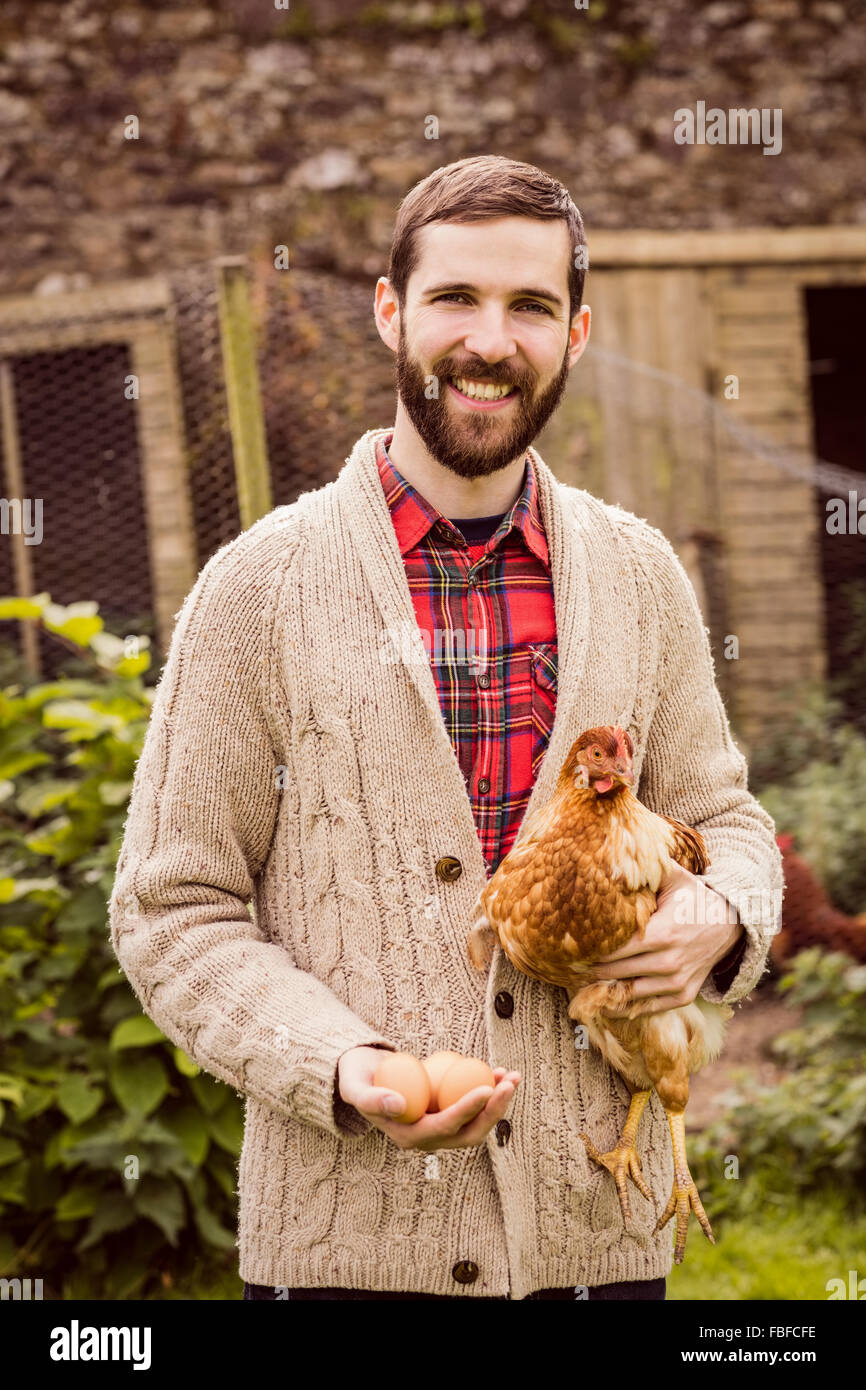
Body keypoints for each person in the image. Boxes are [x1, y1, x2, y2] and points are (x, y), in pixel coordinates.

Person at [109, 155, 782, 1301]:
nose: (489, 339)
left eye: (527, 306)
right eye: (454, 299)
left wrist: (723, 914)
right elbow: (172, 907)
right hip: (348, 1247)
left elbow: (726, 816)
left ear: (573, 332)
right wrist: (341, 1063)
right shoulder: (255, 589)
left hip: (596, 1237)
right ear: (389, 312)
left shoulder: (639, 574)